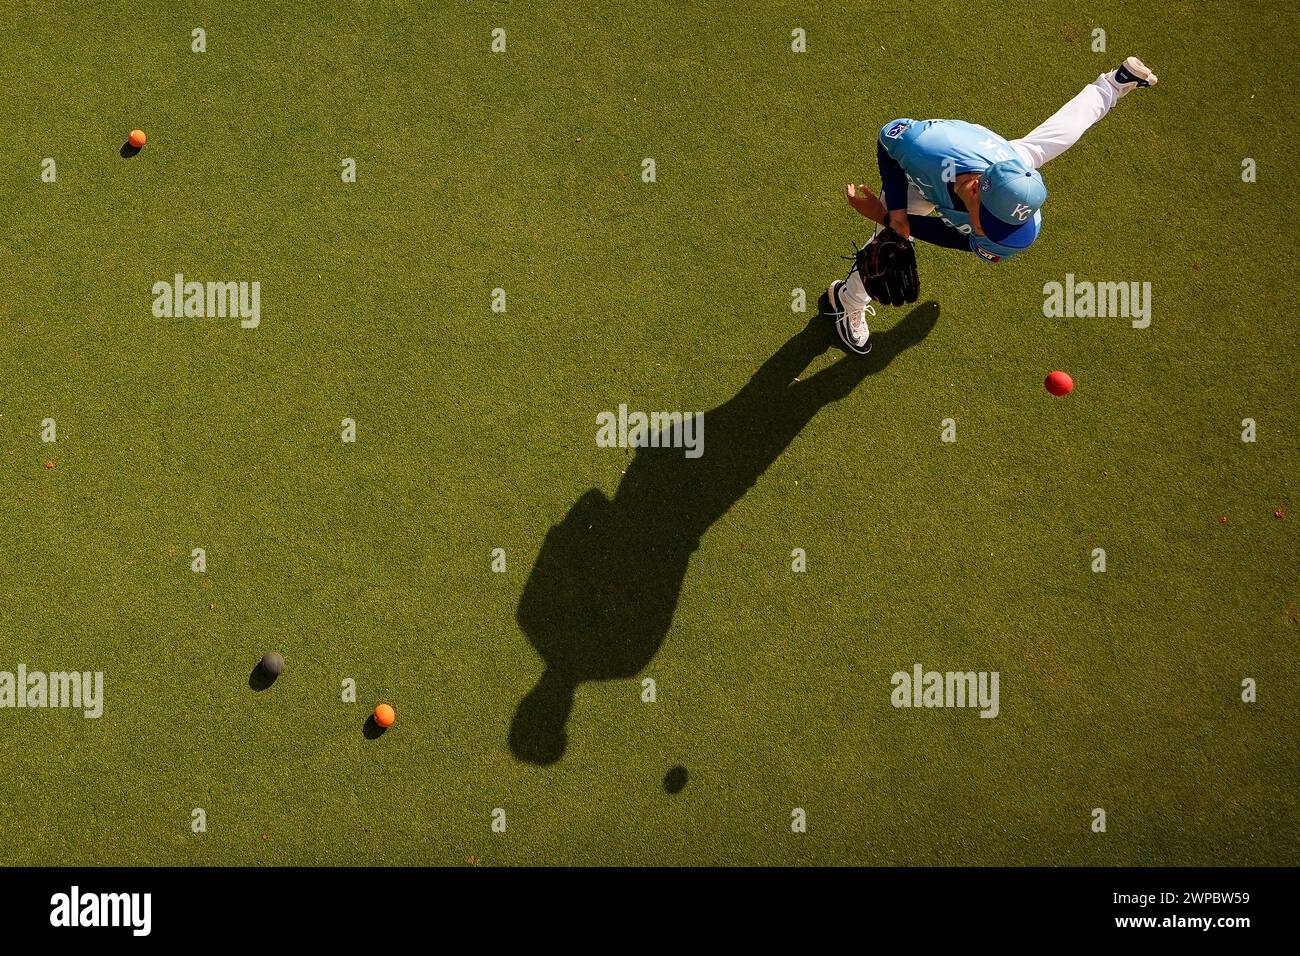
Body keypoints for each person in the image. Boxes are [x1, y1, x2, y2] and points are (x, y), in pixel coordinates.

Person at [829, 57, 1158, 354]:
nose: (992, 232)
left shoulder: (1018, 222)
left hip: (1003, 164)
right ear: (975, 190)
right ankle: (847, 299)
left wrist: (892, 219)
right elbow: (888, 142)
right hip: (923, 175)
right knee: (887, 249)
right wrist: (896, 213)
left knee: (1059, 135)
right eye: (990, 220)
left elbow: (965, 239)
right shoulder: (924, 146)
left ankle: (1113, 84)